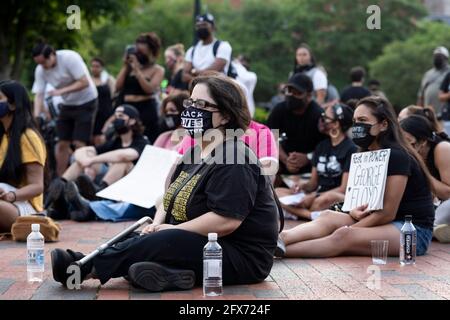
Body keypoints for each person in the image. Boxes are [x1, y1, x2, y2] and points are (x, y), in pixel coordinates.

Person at [50, 73, 279, 292]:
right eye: (191, 103)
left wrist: (170, 230)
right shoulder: (195, 153)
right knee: (140, 238)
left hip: (241, 256)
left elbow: (226, 220)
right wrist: (156, 225)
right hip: (201, 242)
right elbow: (166, 198)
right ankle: (170, 274)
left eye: (202, 105)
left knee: (167, 240)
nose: (191, 110)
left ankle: (85, 269)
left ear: (226, 116)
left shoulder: (235, 156)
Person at [276, 96, 435, 258]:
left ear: (384, 124)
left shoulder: (398, 156)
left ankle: (268, 253)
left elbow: (387, 213)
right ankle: (280, 238)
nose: (357, 126)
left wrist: (351, 228)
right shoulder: (365, 154)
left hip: (412, 231)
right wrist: (354, 211)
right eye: (355, 121)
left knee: (343, 236)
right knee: (328, 217)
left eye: (363, 120)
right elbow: (363, 200)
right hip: (383, 221)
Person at [45, 105, 149, 221]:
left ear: (132, 120)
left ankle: (99, 193)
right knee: (81, 161)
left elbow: (125, 155)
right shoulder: (114, 141)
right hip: (110, 183)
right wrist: (85, 161)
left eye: (121, 116)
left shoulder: (142, 141)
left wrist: (92, 160)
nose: (116, 119)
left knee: (122, 162)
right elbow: (81, 151)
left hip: (130, 186)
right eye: (115, 116)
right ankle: (60, 186)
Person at [275, 104, 357, 220]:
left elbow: (344, 188)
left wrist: (314, 196)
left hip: (332, 196)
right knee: (277, 192)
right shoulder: (321, 146)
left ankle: (297, 212)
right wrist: (300, 187)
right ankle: (309, 215)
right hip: (316, 194)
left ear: (336, 124)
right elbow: (313, 183)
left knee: (324, 200)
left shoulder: (351, 149)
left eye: (325, 117)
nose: (321, 120)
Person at [31, 41, 98, 176]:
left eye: (44, 62)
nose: (42, 67)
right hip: (68, 105)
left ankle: (82, 176)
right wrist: (36, 117)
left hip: (86, 101)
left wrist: (61, 91)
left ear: (52, 55)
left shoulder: (69, 58)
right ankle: (61, 178)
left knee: (79, 143)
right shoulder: (40, 70)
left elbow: (84, 82)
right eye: (39, 64)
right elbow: (39, 94)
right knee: (62, 143)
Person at [0, 81, 46, 232]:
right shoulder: (4, 136)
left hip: (25, 207)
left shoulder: (28, 137)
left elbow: (37, 186)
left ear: (13, 105)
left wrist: (11, 195)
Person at [400, 115, 450, 243]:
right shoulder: (414, 155)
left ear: (423, 141)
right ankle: (437, 229)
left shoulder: (442, 148)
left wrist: (421, 170)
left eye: (408, 142)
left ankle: (435, 228)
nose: (405, 147)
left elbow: (447, 192)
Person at [267, 73, 326, 175]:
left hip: (312, 167)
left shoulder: (318, 115)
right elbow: (271, 138)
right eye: (289, 91)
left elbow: (327, 146)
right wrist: (286, 160)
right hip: (283, 162)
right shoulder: (279, 110)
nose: (291, 96)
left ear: (309, 96)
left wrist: (308, 157)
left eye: (297, 93)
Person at [115, 32, 164, 143]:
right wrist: (126, 65)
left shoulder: (157, 69)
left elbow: (150, 89)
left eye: (142, 51)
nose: (139, 53)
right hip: (126, 108)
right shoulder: (129, 67)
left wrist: (137, 71)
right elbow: (117, 87)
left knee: (145, 142)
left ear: (151, 51)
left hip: (145, 110)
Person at [183, 13, 233, 83]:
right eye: (198, 26)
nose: (201, 28)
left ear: (213, 27)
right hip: (198, 90)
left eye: (204, 25)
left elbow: (215, 70)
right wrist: (201, 81)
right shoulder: (191, 51)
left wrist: (194, 71)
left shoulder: (223, 46)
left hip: (218, 90)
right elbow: (184, 76)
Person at [90, 57, 115, 146]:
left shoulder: (108, 79)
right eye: (93, 66)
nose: (94, 69)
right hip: (93, 112)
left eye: (97, 66)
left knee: (102, 137)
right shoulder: (89, 80)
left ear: (102, 68)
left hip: (105, 112)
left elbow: (114, 94)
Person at [418, 46, 449, 116]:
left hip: (444, 114)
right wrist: (419, 111)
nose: (437, 58)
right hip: (428, 114)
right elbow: (421, 96)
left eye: (439, 56)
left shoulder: (448, 72)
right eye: (435, 56)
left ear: (446, 58)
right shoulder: (428, 74)